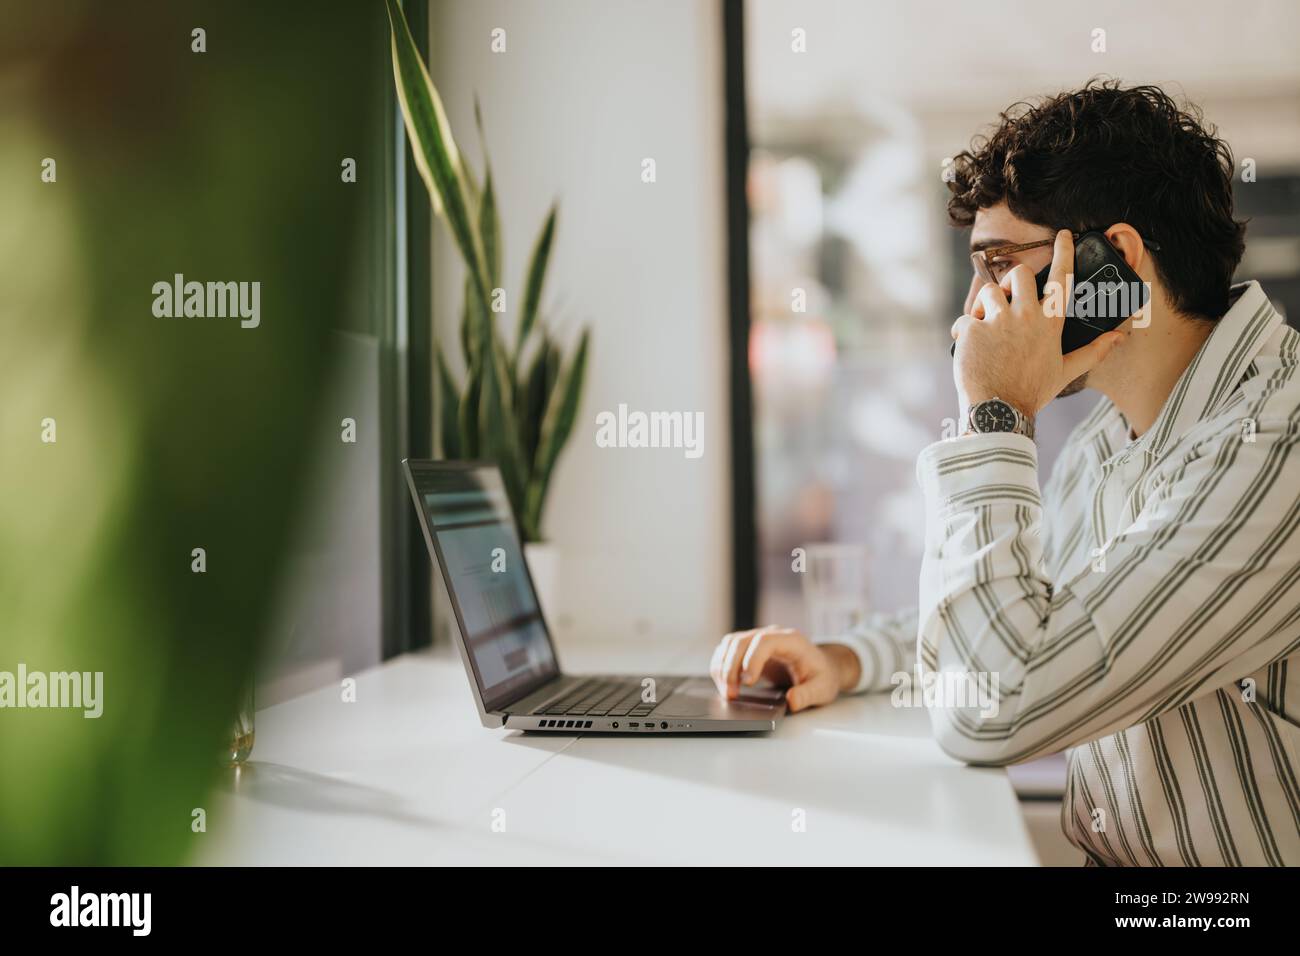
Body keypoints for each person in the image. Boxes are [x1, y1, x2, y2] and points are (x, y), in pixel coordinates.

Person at [711, 80, 1300, 866]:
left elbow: (990, 708)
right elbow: (1022, 609)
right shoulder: (1113, 438)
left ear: (1113, 262)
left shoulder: (1275, 444)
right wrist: (848, 659)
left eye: (998, 265)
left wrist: (997, 411)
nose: (971, 313)